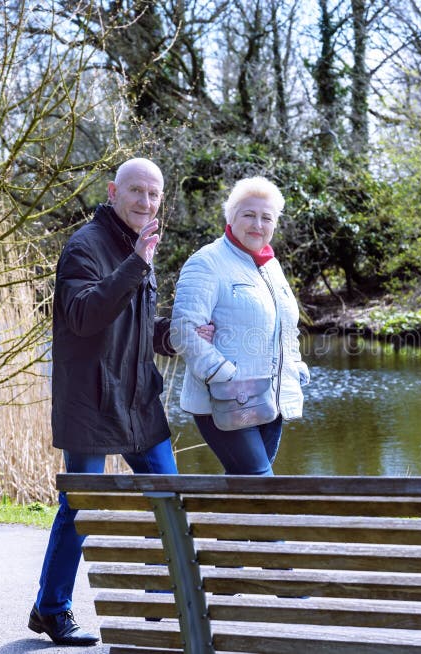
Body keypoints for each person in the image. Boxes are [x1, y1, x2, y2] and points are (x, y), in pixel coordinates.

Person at [28, 158, 212, 646]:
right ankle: (51, 609)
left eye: (153, 195)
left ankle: (159, 599)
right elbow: (85, 317)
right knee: (80, 506)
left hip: (138, 401)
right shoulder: (84, 247)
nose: (144, 202)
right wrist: (137, 265)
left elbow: (131, 329)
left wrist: (173, 338)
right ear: (113, 191)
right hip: (90, 402)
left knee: (168, 496)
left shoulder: (140, 247)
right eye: (135, 191)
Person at [170, 176, 310, 475]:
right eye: (248, 215)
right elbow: (184, 331)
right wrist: (223, 376)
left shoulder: (271, 267)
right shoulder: (207, 262)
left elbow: (288, 328)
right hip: (224, 400)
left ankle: (223, 523)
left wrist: (295, 366)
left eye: (266, 217)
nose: (257, 224)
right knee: (261, 485)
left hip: (269, 400)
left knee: (245, 490)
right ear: (231, 216)